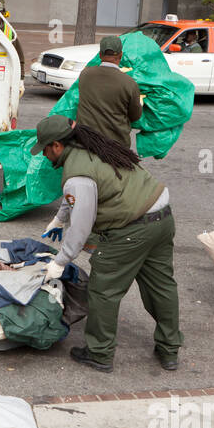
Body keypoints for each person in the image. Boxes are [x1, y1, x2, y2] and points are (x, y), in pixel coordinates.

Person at [34, 114, 182, 373]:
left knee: (103, 290)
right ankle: (169, 349)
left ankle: (99, 353)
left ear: (57, 145)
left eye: (45, 149)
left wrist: (59, 262)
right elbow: (78, 199)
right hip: (162, 218)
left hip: (130, 230)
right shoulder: (93, 148)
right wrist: (58, 219)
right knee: (161, 287)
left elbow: (81, 228)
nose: (45, 156)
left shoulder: (77, 174)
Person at [75, 35, 143, 149]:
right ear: (121, 55)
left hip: (85, 142)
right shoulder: (130, 83)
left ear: (100, 55)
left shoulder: (85, 74)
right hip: (115, 146)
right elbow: (135, 116)